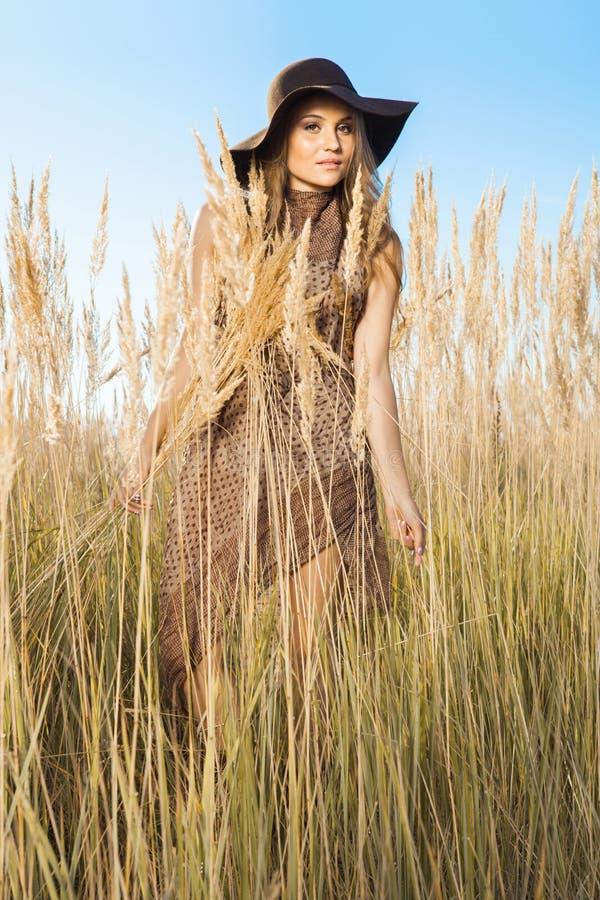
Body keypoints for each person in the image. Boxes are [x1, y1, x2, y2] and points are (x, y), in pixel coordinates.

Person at [109, 57, 426, 749]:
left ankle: (301, 811)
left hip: (324, 453)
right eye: (312, 126)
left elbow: (373, 373)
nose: (332, 142)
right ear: (279, 139)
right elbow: (198, 351)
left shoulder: (377, 243)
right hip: (227, 447)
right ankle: (231, 785)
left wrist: (399, 490)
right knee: (193, 640)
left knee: (309, 659)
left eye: (345, 128)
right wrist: (145, 448)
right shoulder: (228, 224)